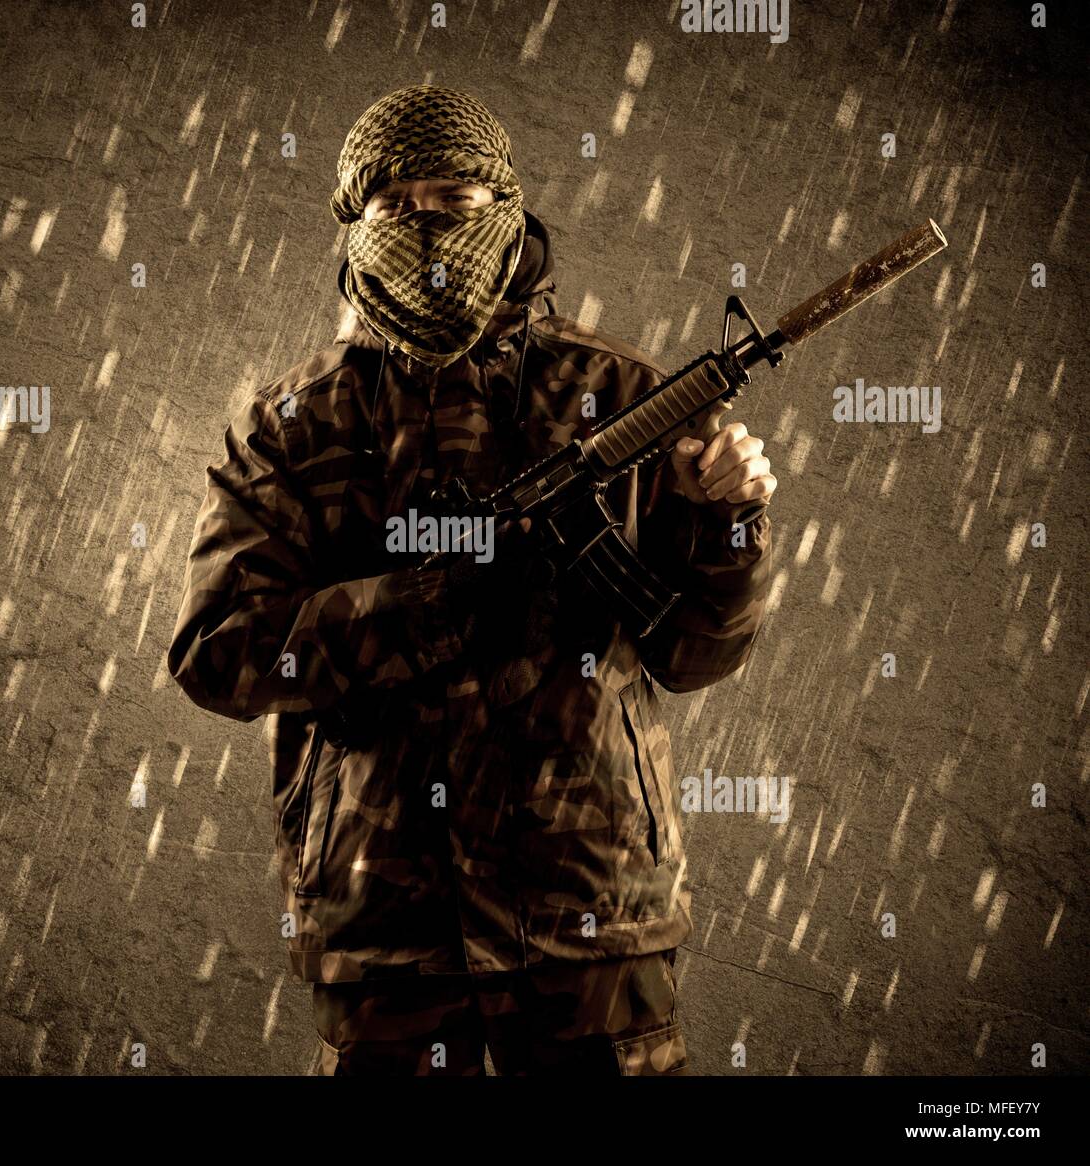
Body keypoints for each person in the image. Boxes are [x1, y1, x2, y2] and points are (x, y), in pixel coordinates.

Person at [167, 84, 775, 1075]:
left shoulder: (619, 394)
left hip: (593, 910)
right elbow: (215, 651)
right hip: (384, 921)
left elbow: (695, 650)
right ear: (352, 225)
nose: (423, 223)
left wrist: (728, 523)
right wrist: (424, 603)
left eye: (452, 198)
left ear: (507, 209)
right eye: (392, 204)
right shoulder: (292, 425)